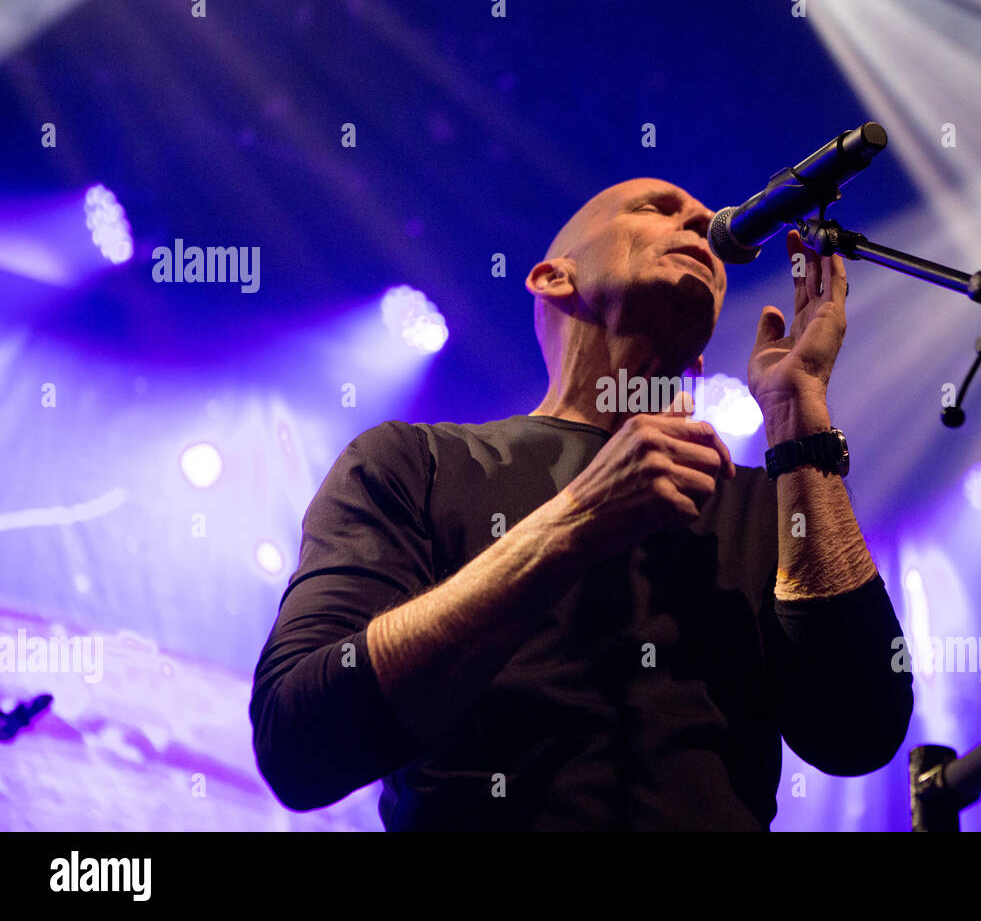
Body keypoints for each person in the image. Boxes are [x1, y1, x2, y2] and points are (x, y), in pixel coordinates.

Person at [249, 177, 913, 830]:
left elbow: (860, 732)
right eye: (660, 208)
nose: (700, 227)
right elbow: (299, 745)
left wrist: (798, 420)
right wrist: (576, 521)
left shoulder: (761, 504)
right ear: (551, 278)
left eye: (707, 222)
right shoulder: (413, 462)